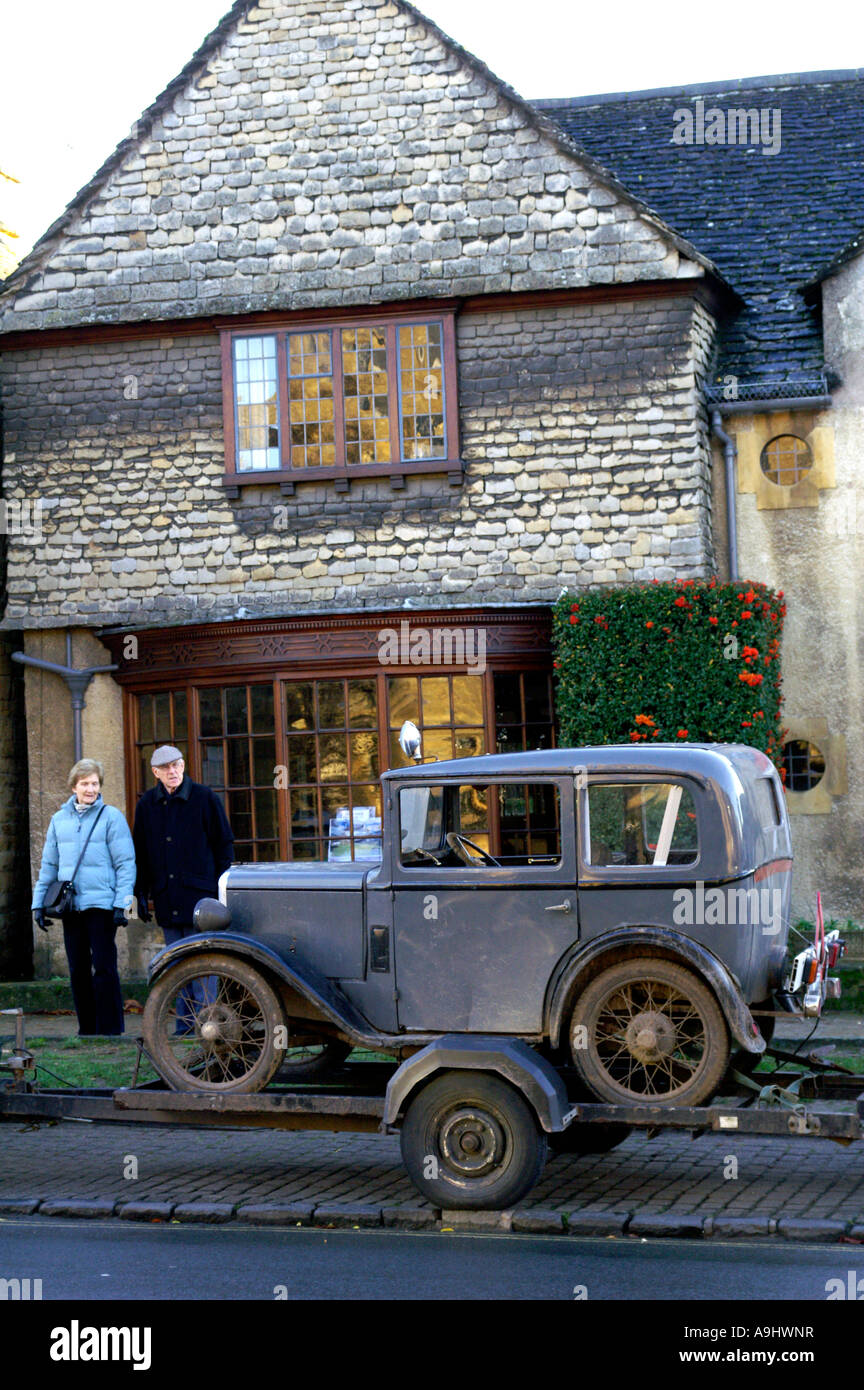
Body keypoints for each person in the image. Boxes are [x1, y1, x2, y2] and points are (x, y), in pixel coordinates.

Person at [32, 758, 136, 1037]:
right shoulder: (58, 820)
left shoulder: (112, 817)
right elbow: (49, 866)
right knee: (77, 969)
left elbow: (126, 864)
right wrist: (38, 904)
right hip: (71, 906)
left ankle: (111, 1029)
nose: (90, 789)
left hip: (103, 905)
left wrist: (125, 907)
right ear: (74, 786)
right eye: (85, 783)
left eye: (95, 783)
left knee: (104, 967)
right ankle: (87, 1029)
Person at [132, 746, 234, 1029]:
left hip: (202, 897)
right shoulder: (147, 805)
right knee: (176, 963)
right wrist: (140, 892)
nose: (172, 771)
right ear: (156, 773)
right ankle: (184, 1025)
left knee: (203, 962)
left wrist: (220, 889)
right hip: (167, 896)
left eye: (176, 765)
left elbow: (223, 845)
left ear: (184, 765)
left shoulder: (204, 798)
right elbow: (140, 853)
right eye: (165, 768)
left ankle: (208, 1024)